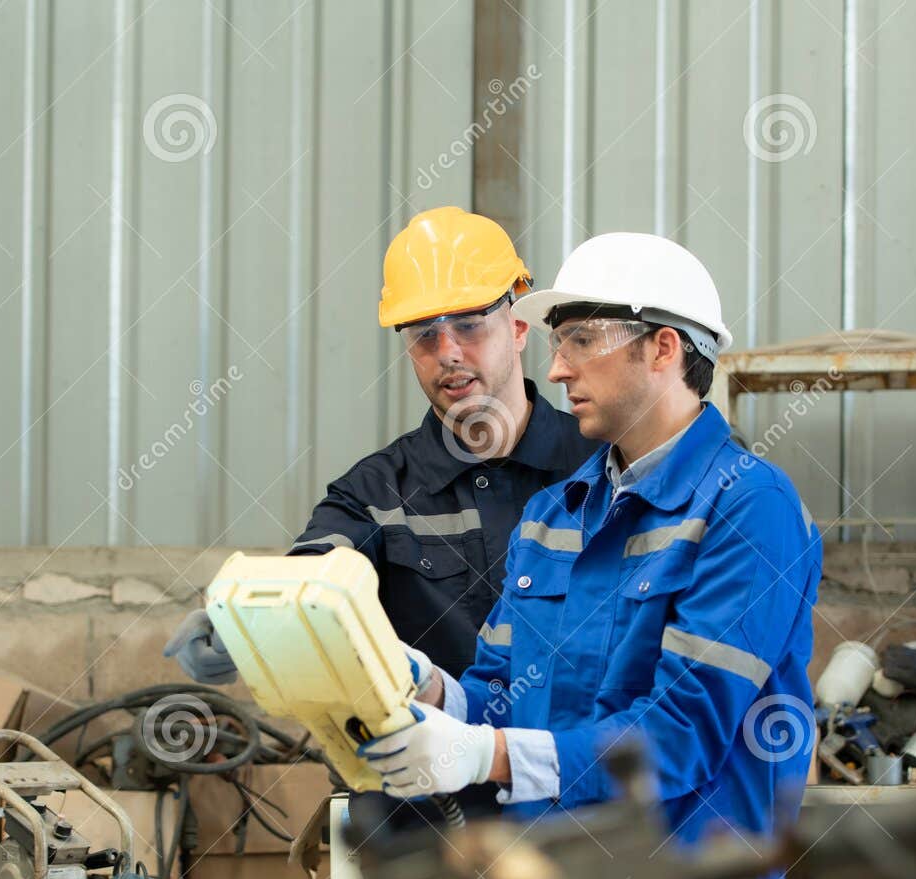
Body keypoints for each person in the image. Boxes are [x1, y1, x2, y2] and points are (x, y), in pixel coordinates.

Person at [358, 231, 823, 879]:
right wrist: (428, 690)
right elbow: (498, 693)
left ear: (664, 348)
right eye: (561, 343)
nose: (559, 369)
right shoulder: (554, 515)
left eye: (579, 340)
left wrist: (484, 753)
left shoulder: (750, 510)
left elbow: (677, 740)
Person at [166, 206, 599, 834]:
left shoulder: (602, 470)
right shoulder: (378, 493)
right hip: (424, 832)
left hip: (579, 816)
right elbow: (316, 572)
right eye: (423, 333)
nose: (448, 353)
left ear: (520, 324)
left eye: (470, 325)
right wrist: (246, 624)